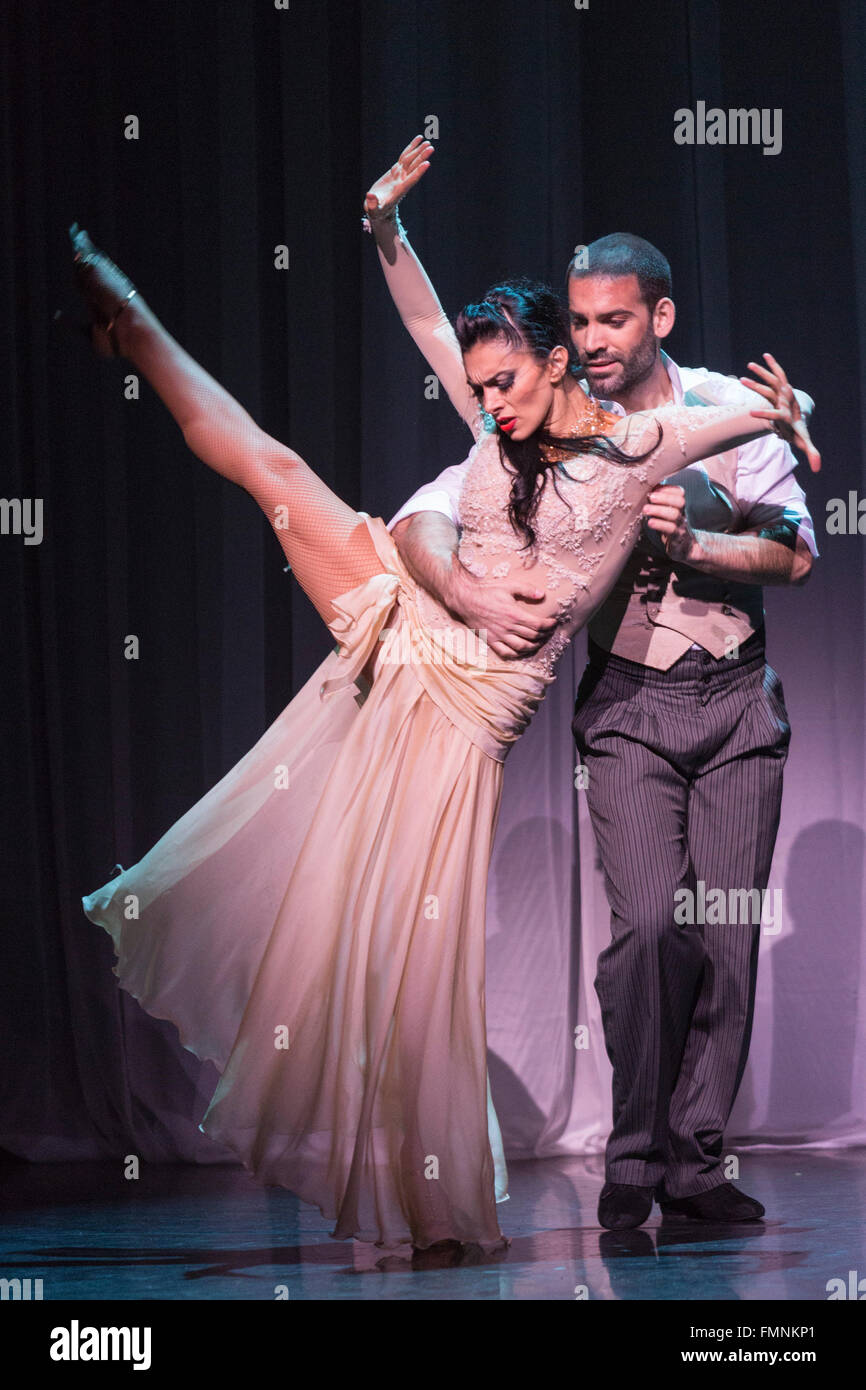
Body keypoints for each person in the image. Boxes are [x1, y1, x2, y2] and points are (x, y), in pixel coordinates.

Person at [73, 195, 816, 1257]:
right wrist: (385, 230)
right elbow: (431, 328)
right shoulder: (492, 427)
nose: (489, 402)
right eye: (479, 388)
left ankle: (434, 1209)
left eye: (507, 379)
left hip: (465, 714)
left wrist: (790, 410)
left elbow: (748, 421)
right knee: (269, 470)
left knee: (412, 961)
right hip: (409, 617)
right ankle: (125, 310)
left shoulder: (637, 447)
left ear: (560, 362)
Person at [367, 138, 819, 1231]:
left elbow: (795, 553)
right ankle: (630, 1156)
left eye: (612, 321)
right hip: (624, 706)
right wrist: (384, 227)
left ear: (655, 319)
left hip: (732, 700)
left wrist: (705, 541)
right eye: (577, 323)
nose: (592, 340)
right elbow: (440, 369)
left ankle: (695, 1164)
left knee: (721, 938)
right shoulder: (539, 428)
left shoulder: (705, 408)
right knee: (646, 932)